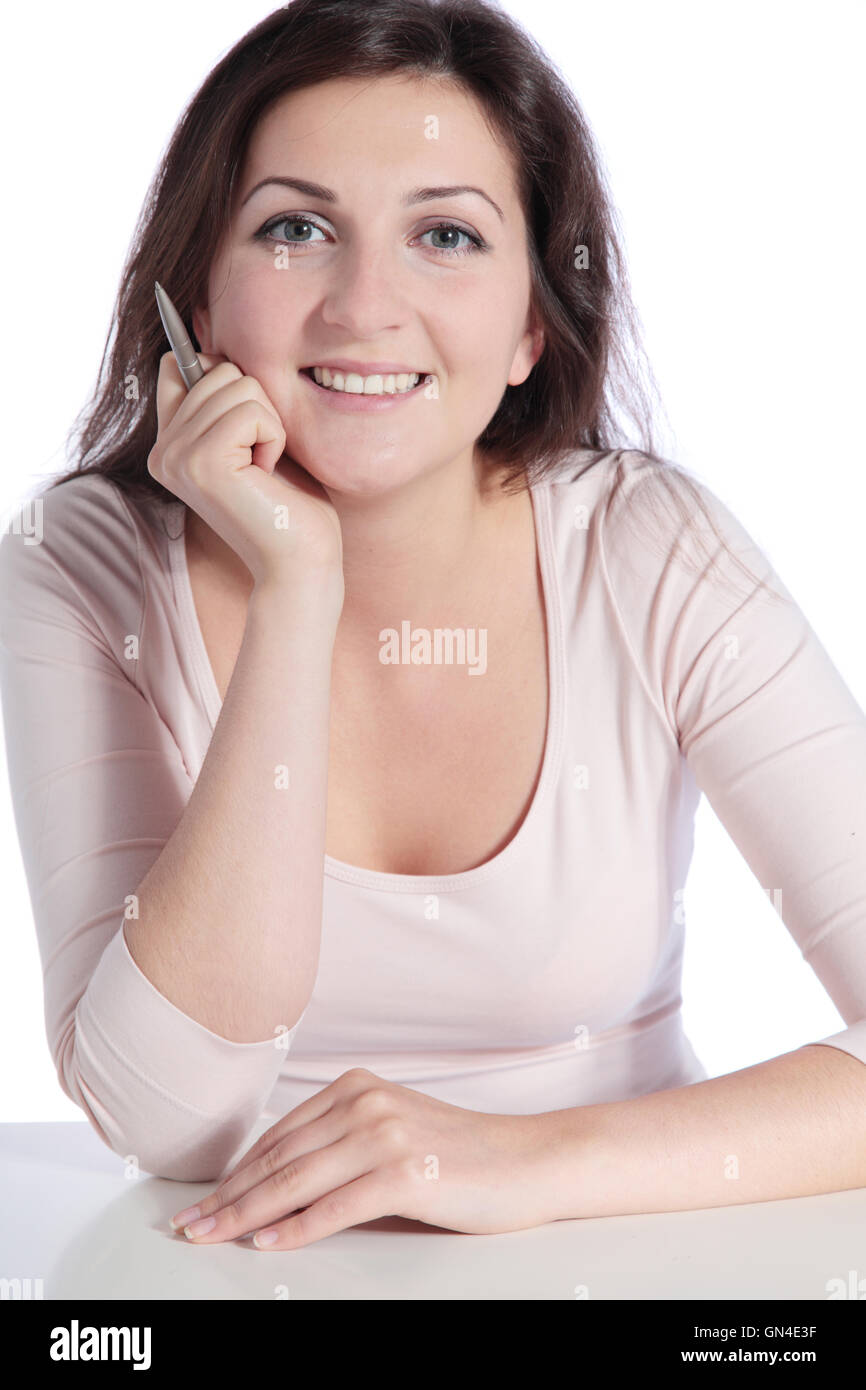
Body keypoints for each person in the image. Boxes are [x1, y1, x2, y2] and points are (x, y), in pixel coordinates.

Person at [2, 0, 865, 1249]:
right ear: (197, 289)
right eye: (295, 228)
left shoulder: (646, 552)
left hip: (630, 1262)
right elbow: (163, 1117)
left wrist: (517, 1162)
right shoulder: (81, 569)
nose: (364, 306)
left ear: (528, 324)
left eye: (445, 235)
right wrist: (298, 584)